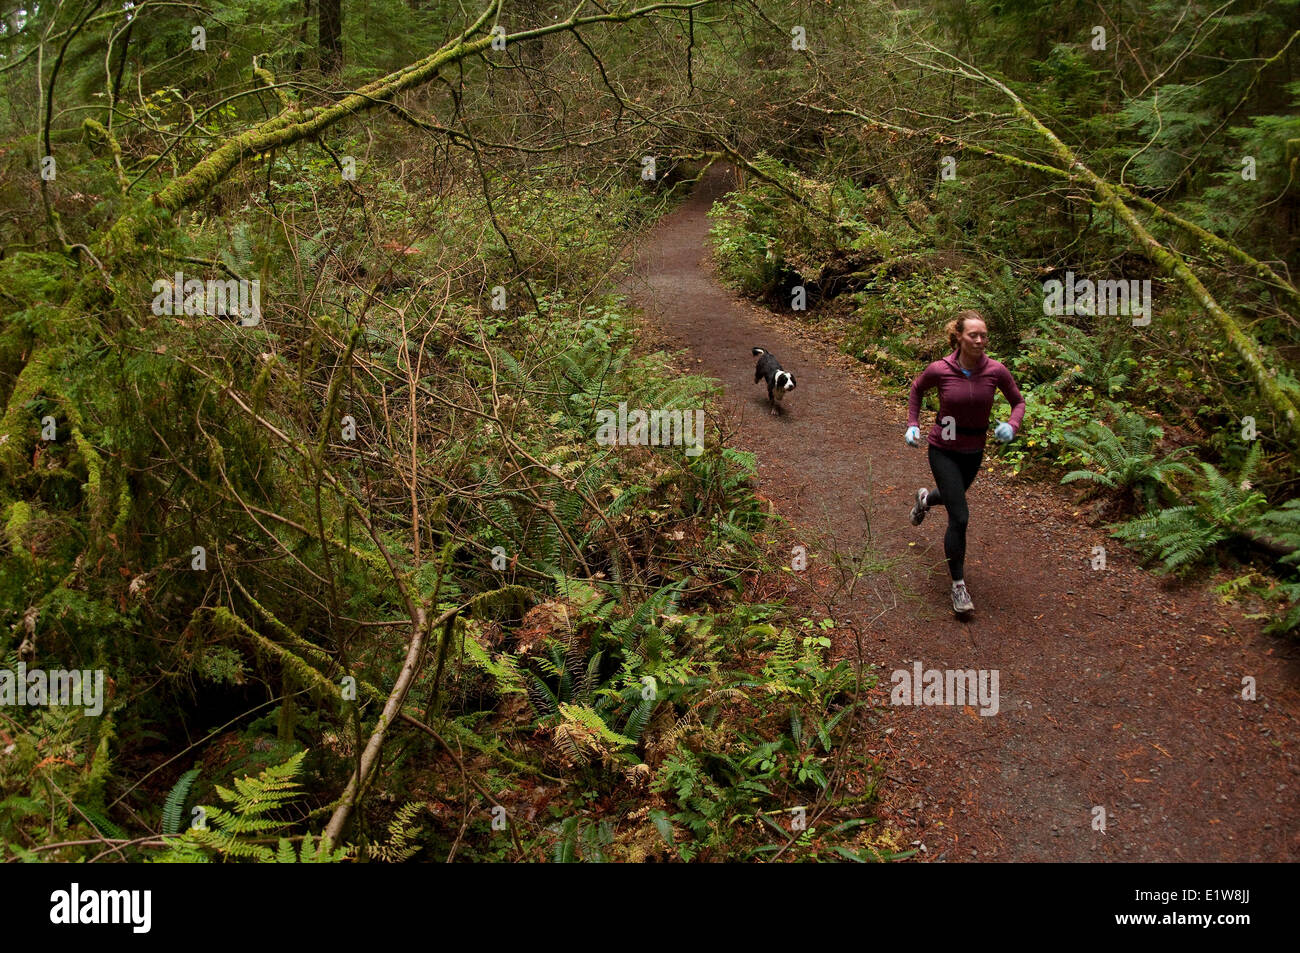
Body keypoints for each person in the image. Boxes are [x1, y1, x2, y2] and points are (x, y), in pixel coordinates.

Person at [904, 310, 1026, 614]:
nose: (980, 340)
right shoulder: (940, 369)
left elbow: (1018, 402)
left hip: (973, 450)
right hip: (942, 448)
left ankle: (924, 500)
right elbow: (917, 389)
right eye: (974, 335)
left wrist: (1012, 424)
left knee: (950, 495)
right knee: (960, 517)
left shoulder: (996, 371)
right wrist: (912, 423)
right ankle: (958, 587)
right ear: (959, 336)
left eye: (984, 335)